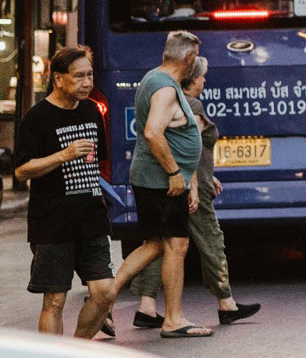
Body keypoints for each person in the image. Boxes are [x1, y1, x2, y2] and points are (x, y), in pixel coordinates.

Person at [129, 57, 259, 329]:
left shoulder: (168, 96)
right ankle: (226, 302)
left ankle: (147, 306)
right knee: (210, 238)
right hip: (187, 184)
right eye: (203, 77)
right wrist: (199, 180)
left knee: (160, 242)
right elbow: (190, 146)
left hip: (171, 179)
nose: (205, 81)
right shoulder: (192, 105)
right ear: (192, 78)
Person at [107, 30, 213, 338]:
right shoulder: (165, 88)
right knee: (176, 245)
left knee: (155, 244)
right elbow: (154, 132)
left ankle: (106, 296)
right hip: (161, 180)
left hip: (153, 178)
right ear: (189, 58)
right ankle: (174, 319)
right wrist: (174, 173)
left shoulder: (156, 78)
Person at [16, 47, 116, 339]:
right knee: (55, 300)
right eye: (79, 77)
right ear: (58, 79)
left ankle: (76, 351)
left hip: (92, 219)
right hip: (52, 222)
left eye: (90, 75)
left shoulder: (91, 111)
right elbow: (22, 171)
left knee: (105, 292)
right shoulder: (37, 117)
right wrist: (64, 155)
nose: (87, 83)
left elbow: (97, 162)